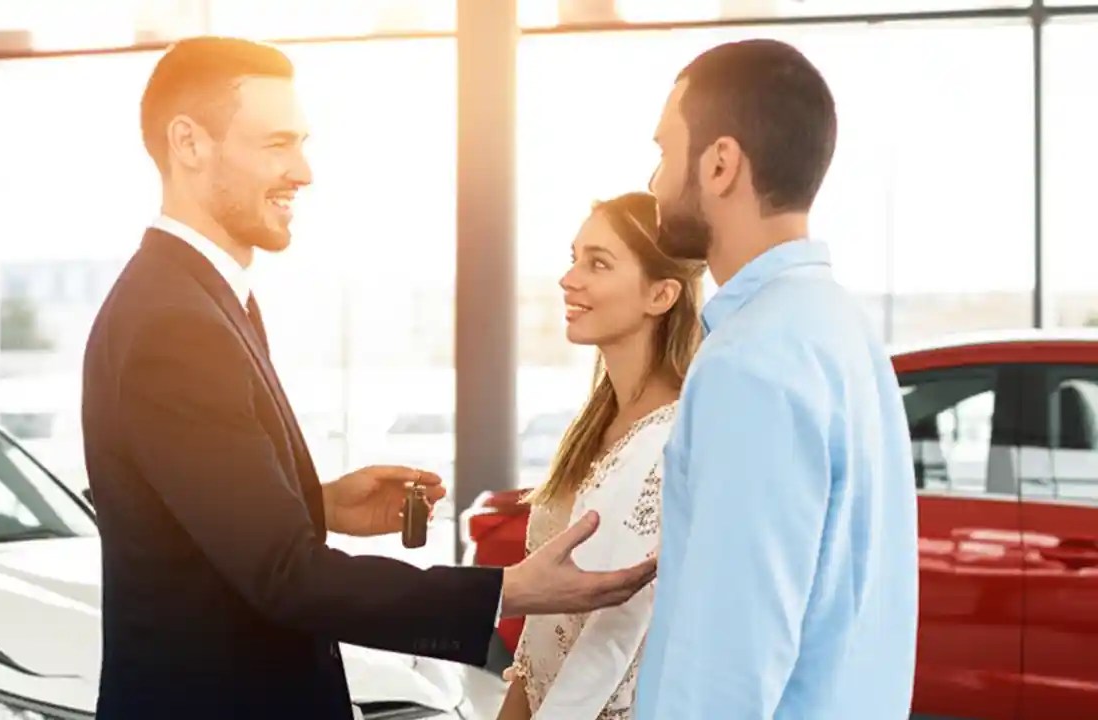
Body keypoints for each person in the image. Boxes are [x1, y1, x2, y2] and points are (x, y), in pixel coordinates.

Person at [80, 36, 657, 720]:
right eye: (277, 144)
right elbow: (283, 576)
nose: (304, 170)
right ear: (189, 143)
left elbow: (193, 518)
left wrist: (317, 503)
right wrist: (505, 590)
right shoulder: (176, 323)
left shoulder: (200, 299)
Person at [632, 39, 919, 719]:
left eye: (666, 151)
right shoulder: (841, 330)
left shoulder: (749, 362)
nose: (653, 181)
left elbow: (723, 673)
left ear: (721, 163)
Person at [496, 192, 705, 720]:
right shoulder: (593, 425)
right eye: (574, 258)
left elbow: (613, 642)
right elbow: (541, 642)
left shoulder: (676, 438)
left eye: (598, 263)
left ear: (661, 294)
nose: (570, 279)